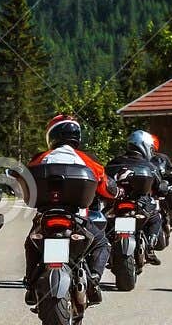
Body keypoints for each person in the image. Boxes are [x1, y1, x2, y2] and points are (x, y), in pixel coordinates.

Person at [27, 113, 116, 303]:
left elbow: (24, 182)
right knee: (101, 242)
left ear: (52, 136)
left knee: (31, 243)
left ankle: (30, 282)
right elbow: (107, 188)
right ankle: (93, 279)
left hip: (45, 217)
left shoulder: (40, 158)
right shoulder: (87, 160)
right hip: (76, 218)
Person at [106, 127, 164, 263]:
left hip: (115, 204)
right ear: (144, 146)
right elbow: (159, 186)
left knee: (104, 225)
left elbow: (105, 182)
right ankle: (150, 247)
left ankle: (107, 248)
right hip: (140, 203)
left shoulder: (114, 162)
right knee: (156, 217)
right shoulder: (149, 166)